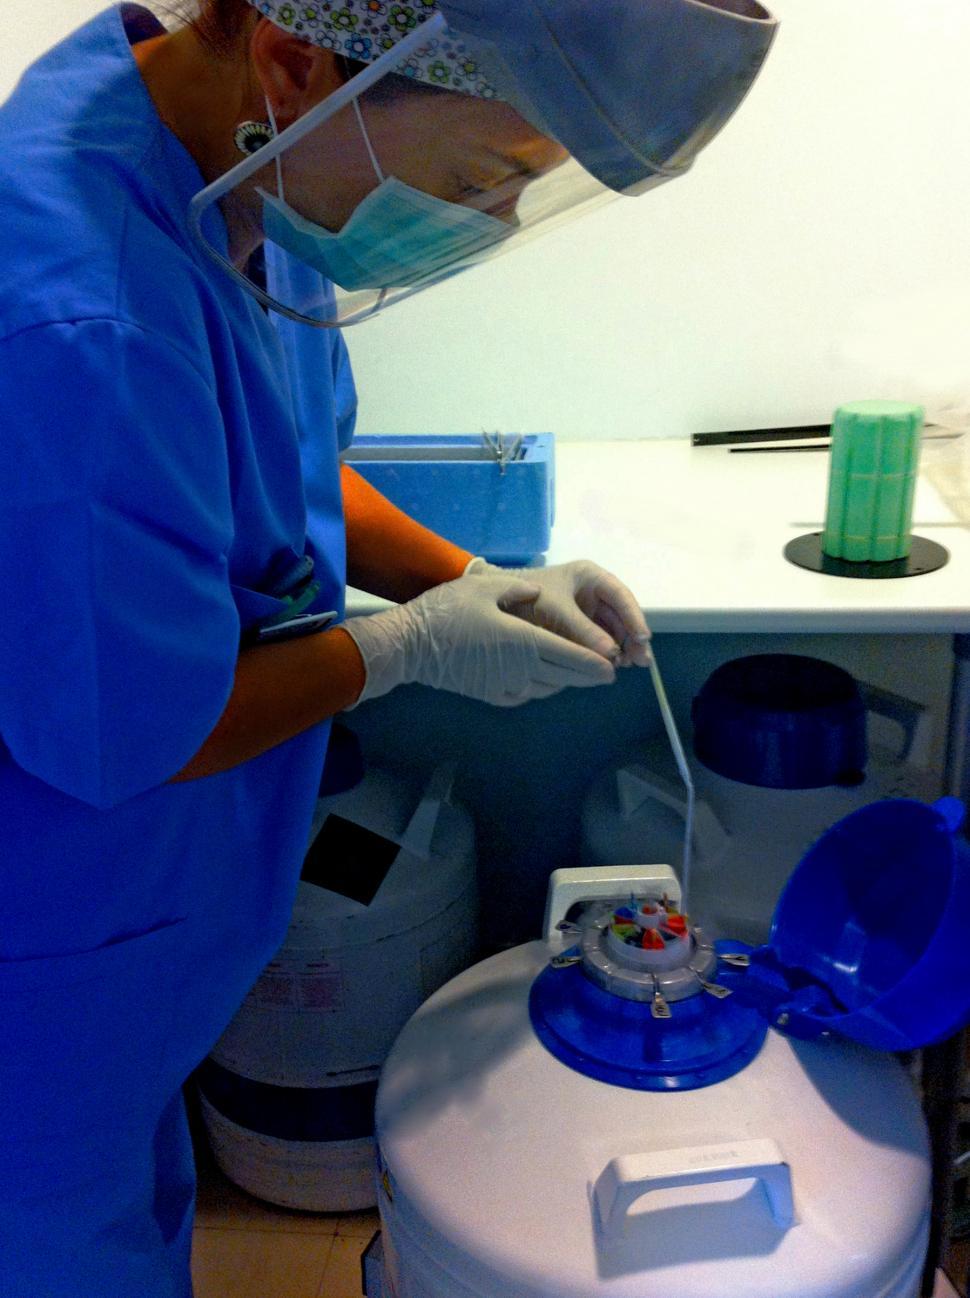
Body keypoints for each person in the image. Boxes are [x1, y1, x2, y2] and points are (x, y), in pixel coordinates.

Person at [0, 0, 777, 1292]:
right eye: (481, 178)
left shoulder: (241, 157)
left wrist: (473, 581)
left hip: (142, 961)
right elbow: (135, 724)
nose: (489, 223)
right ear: (298, 64)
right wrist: (410, 648)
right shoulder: (82, 326)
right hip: (44, 990)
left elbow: (288, 467)